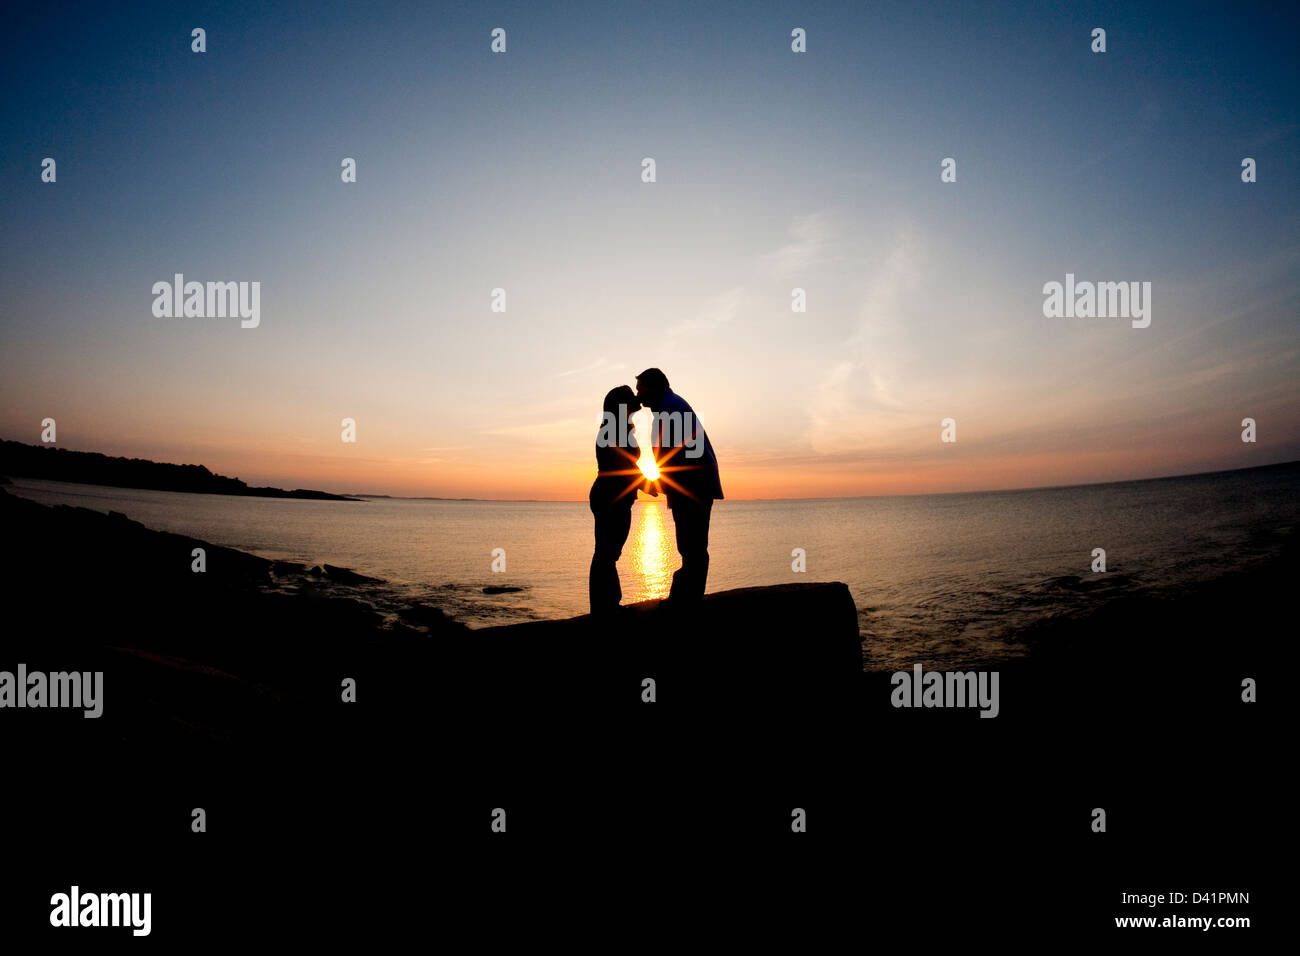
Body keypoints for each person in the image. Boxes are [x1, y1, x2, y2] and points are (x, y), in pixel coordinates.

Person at [634, 368, 723, 603]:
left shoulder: (668, 409)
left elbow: (676, 456)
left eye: (640, 389)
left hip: (692, 487)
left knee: (692, 547)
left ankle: (685, 601)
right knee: (693, 546)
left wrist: (658, 484)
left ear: (653, 387)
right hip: (694, 485)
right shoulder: (670, 406)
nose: (638, 395)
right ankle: (687, 598)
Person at [588, 385, 650, 615]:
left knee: (609, 553)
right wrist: (647, 484)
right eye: (631, 401)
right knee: (606, 553)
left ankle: (607, 605)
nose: (636, 403)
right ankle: (605, 608)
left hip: (616, 496)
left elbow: (626, 465)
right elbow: (622, 463)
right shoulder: (612, 429)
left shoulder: (620, 428)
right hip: (609, 496)